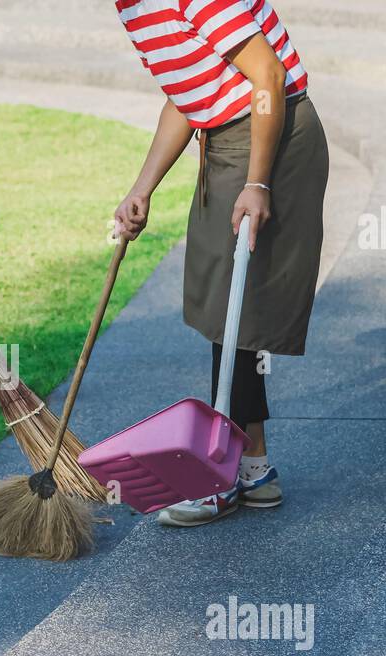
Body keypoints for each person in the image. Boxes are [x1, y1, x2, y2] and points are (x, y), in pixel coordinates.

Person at [112, 0, 328, 526]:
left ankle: (217, 478)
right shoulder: (133, 8)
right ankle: (253, 467)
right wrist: (142, 189)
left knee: (236, 311)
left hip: (271, 134)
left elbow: (268, 76)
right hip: (226, 140)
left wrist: (257, 183)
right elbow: (185, 96)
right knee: (227, 310)